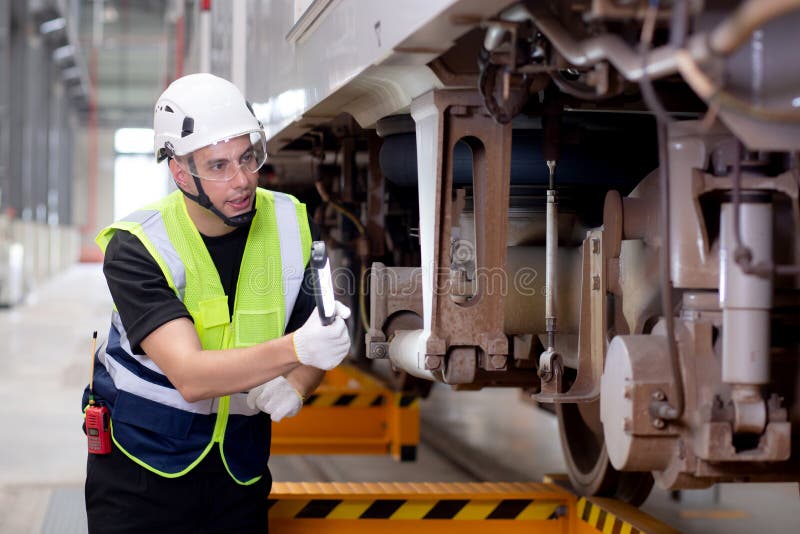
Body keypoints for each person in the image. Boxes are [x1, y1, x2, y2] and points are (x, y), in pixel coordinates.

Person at [81, 73, 351, 533]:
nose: (242, 180)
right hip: (142, 471)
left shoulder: (290, 223)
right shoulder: (138, 246)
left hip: (240, 469)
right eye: (219, 166)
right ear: (180, 173)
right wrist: (295, 350)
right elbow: (190, 376)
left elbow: (316, 336)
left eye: (248, 157)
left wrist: (298, 383)